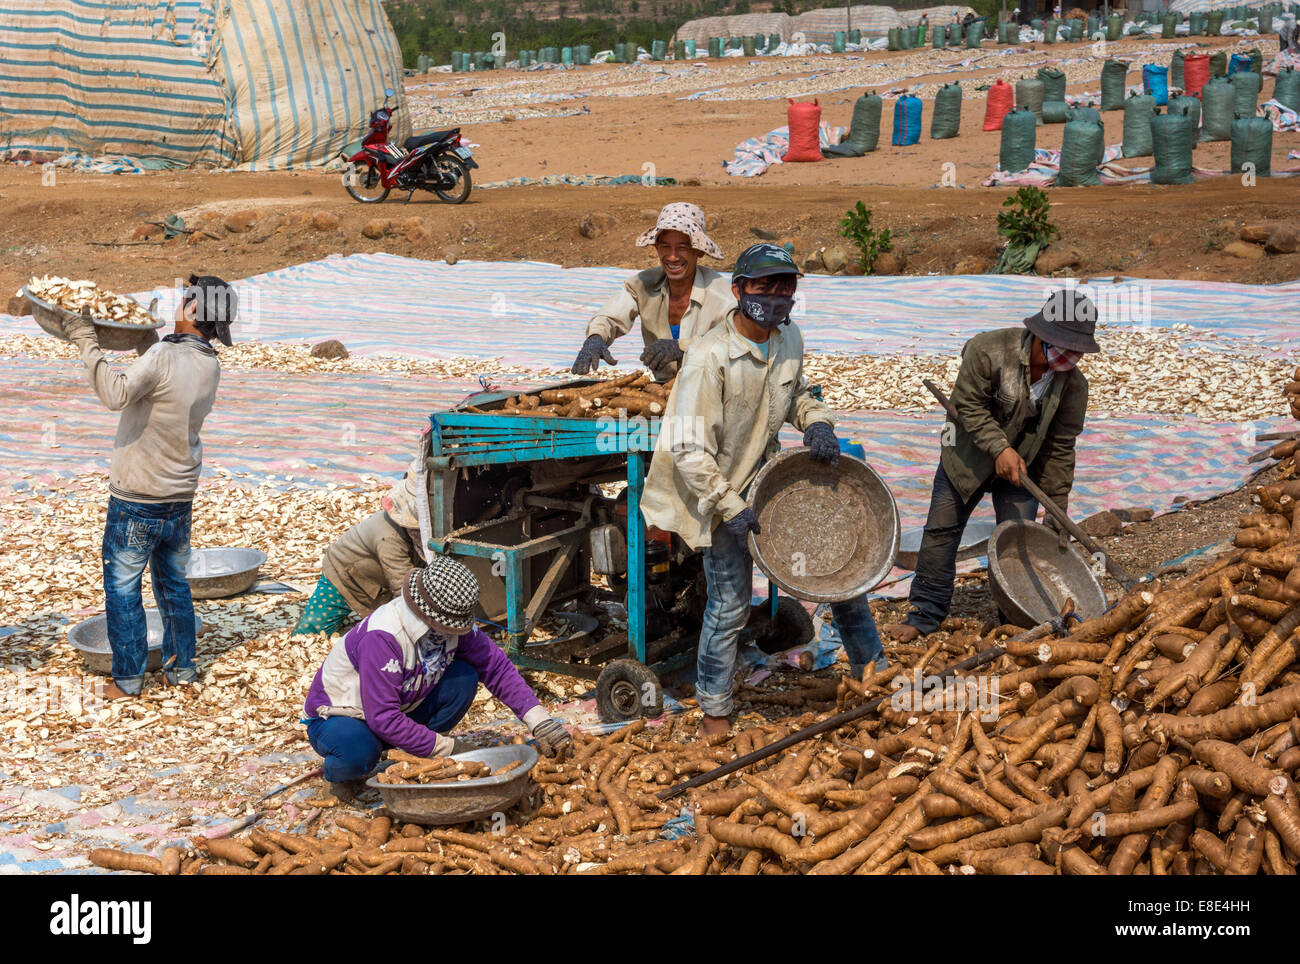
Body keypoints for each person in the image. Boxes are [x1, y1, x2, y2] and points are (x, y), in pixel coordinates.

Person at [640, 243, 887, 739]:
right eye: (763, 287)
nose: (775, 297)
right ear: (738, 291)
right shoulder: (711, 357)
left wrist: (817, 423)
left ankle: (873, 673)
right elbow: (689, 450)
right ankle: (714, 711)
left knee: (838, 567)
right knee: (730, 601)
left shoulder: (788, 336)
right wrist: (729, 506)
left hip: (762, 478)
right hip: (712, 490)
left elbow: (798, 393)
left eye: (785, 287)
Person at [887, 289, 1098, 645]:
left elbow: (1061, 446)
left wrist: (1056, 505)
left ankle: (1014, 617)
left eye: (1077, 351)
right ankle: (925, 613)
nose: (1070, 358)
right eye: (1064, 347)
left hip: (1022, 465)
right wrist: (999, 448)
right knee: (941, 532)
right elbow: (967, 405)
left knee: (1020, 540)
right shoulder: (988, 350)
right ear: (1042, 336)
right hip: (965, 456)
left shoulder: (1073, 386)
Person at [63, 275, 236, 700]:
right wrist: (149, 342)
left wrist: (86, 339)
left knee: (123, 588)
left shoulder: (162, 355)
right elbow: (167, 388)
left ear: (194, 311)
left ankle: (128, 679)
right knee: (173, 585)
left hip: (137, 498)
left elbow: (116, 394)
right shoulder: (210, 363)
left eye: (183, 302)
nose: (178, 306)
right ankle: (183, 669)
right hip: (178, 498)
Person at [303, 557, 574, 800]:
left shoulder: (449, 622)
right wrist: (450, 748)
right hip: (343, 719)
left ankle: (416, 754)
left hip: (403, 705)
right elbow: (382, 717)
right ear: (430, 617)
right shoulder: (383, 638)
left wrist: (540, 722)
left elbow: (496, 667)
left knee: (463, 678)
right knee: (357, 751)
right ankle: (340, 777)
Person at [571, 202, 735, 382]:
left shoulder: (722, 295)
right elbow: (610, 316)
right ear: (656, 247)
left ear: (698, 251)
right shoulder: (642, 285)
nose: (672, 257)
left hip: (712, 385)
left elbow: (733, 343)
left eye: (682, 248)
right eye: (665, 247)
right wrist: (595, 338)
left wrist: (682, 348)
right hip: (662, 388)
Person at [292, 456, 428, 637]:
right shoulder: (389, 538)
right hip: (343, 577)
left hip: (378, 583)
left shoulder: (410, 536)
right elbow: (403, 587)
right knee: (309, 633)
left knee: (373, 628)